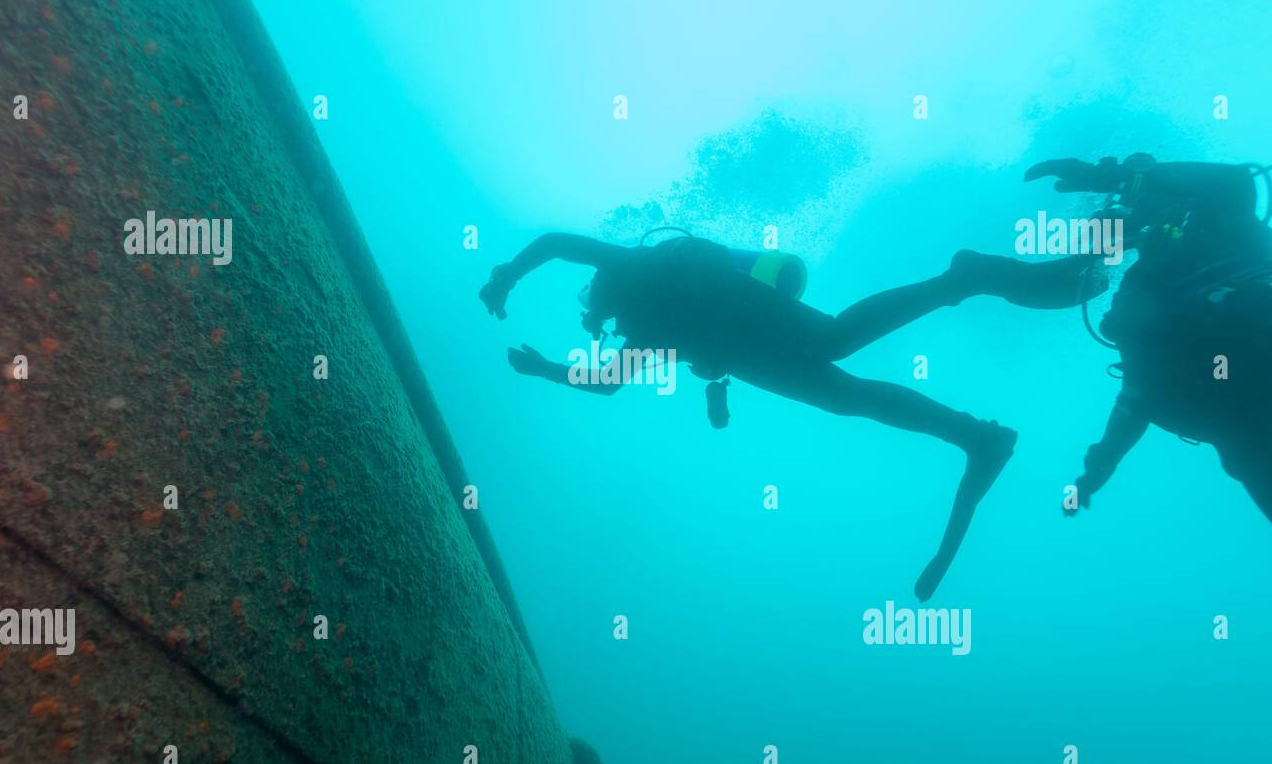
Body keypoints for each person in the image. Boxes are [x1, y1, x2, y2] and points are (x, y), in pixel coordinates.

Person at [480, 229, 1101, 599]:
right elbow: (610, 385)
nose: (597, 314)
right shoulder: (645, 331)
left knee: (832, 344)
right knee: (843, 397)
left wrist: (509, 276)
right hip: (741, 347)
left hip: (743, 315)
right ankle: (975, 436)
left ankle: (960, 279)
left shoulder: (632, 267)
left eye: (593, 304)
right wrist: (544, 369)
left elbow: (561, 244)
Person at [1024, 155, 1272, 519]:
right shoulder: (1138, 291)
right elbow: (1136, 397)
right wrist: (1097, 470)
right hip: (1243, 432)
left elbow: (1233, 181)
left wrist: (1120, 177)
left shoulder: (1227, 232)